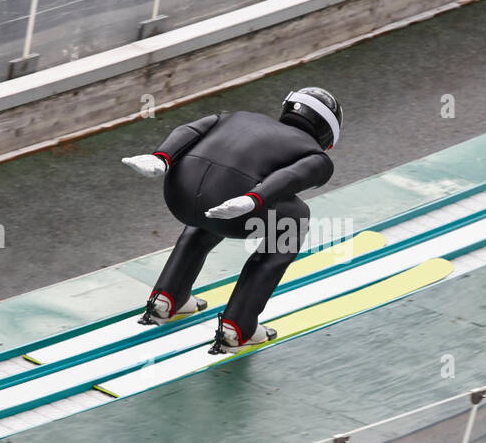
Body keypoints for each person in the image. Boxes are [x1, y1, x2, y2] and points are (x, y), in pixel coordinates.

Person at [122, 87, 343, 353]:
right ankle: (238, 327)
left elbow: (191, 130)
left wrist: (161, 157)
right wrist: (255, 198)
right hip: (238, 206)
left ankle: (167, 298)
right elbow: (291, 178)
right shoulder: (317, 156)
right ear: (327, 136)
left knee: (213, 206)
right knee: (296, 218)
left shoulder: (237, 116)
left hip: (178, 191)